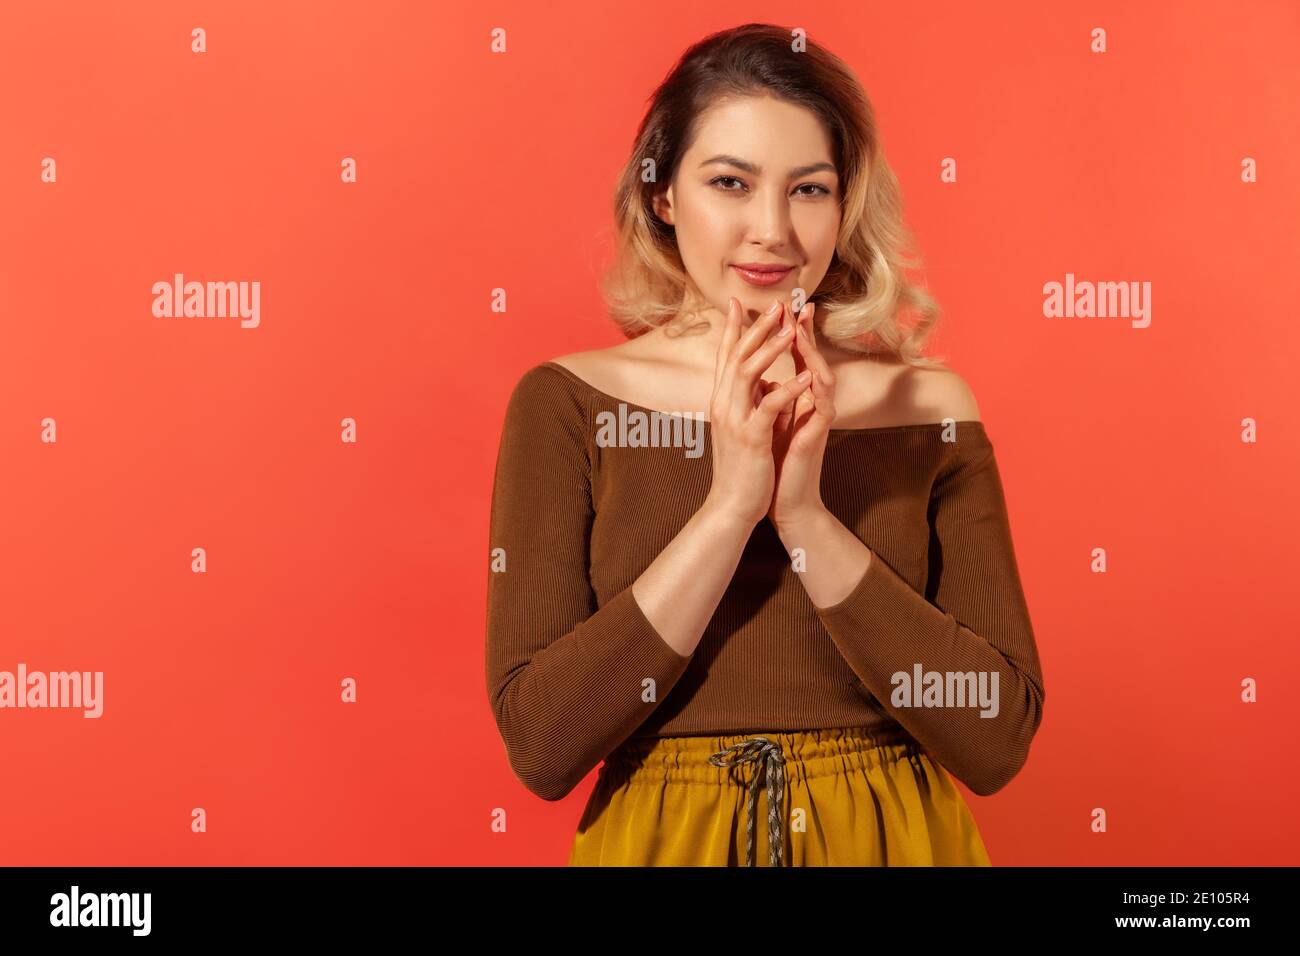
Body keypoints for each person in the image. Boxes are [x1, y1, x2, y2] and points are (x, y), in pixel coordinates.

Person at [485, 22, 1045, 866]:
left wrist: (806, 518)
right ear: (663, 196)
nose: (772, 229)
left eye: (808, 189)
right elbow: (543, 744)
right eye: (730, 183)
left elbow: (994, 741)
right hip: (666, 845)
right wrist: (730, 507)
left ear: (844, 205)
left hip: (893, 842)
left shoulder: (926, 407)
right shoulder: (567, 402)